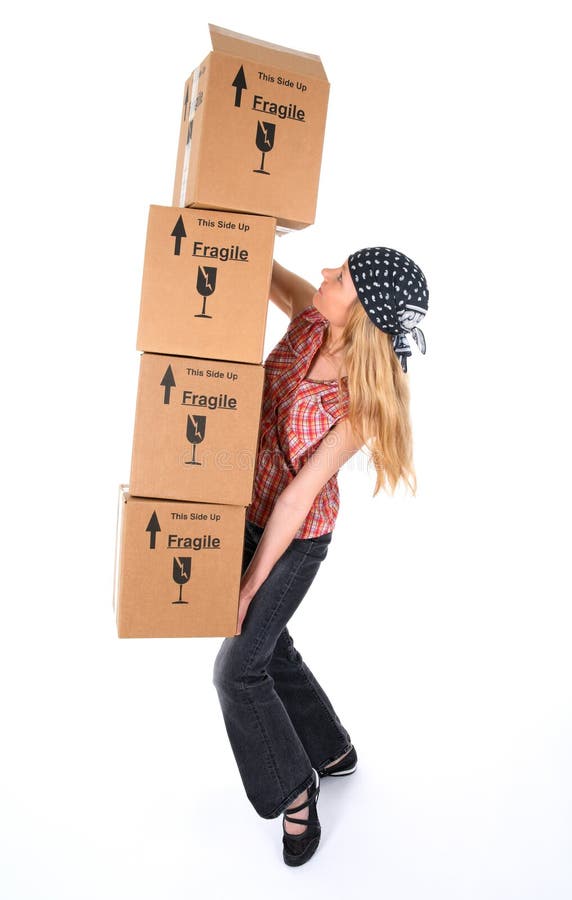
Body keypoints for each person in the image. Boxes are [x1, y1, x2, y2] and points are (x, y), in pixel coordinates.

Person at [212, 246, 429, 867]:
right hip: (248, 508)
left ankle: (295, 790)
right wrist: (242, 224)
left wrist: (252, 585)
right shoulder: (312, 318)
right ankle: (332, 748)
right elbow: (260, 264)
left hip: (297, 537)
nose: (327, 275)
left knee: (237, 669)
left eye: (341, 279)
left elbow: (301, 496)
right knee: (269, 646)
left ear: (360, 313)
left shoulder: (361, 401)